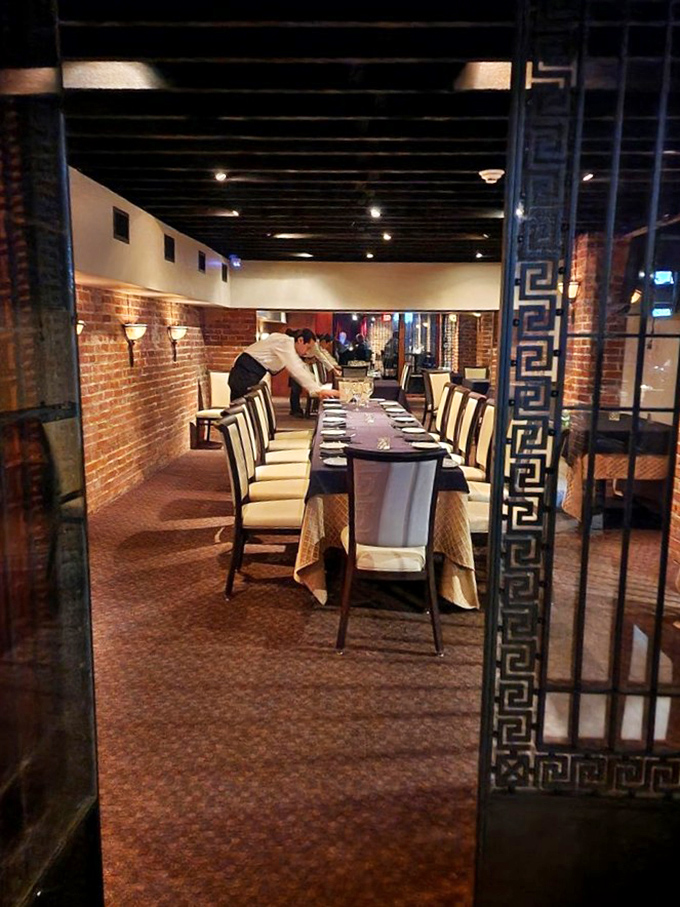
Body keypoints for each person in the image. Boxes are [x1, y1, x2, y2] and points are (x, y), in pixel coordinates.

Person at [228, 328, 339, 403]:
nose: (307, 352)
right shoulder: (285, 343)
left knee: (245, 412)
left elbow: (298, 366)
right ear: (300, 340)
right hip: (244, 372)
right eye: (308, 347)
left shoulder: (285, 342)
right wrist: (318, 390)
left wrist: (317, 388)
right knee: (240, 412)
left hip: (249, 371)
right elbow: (296, 368)